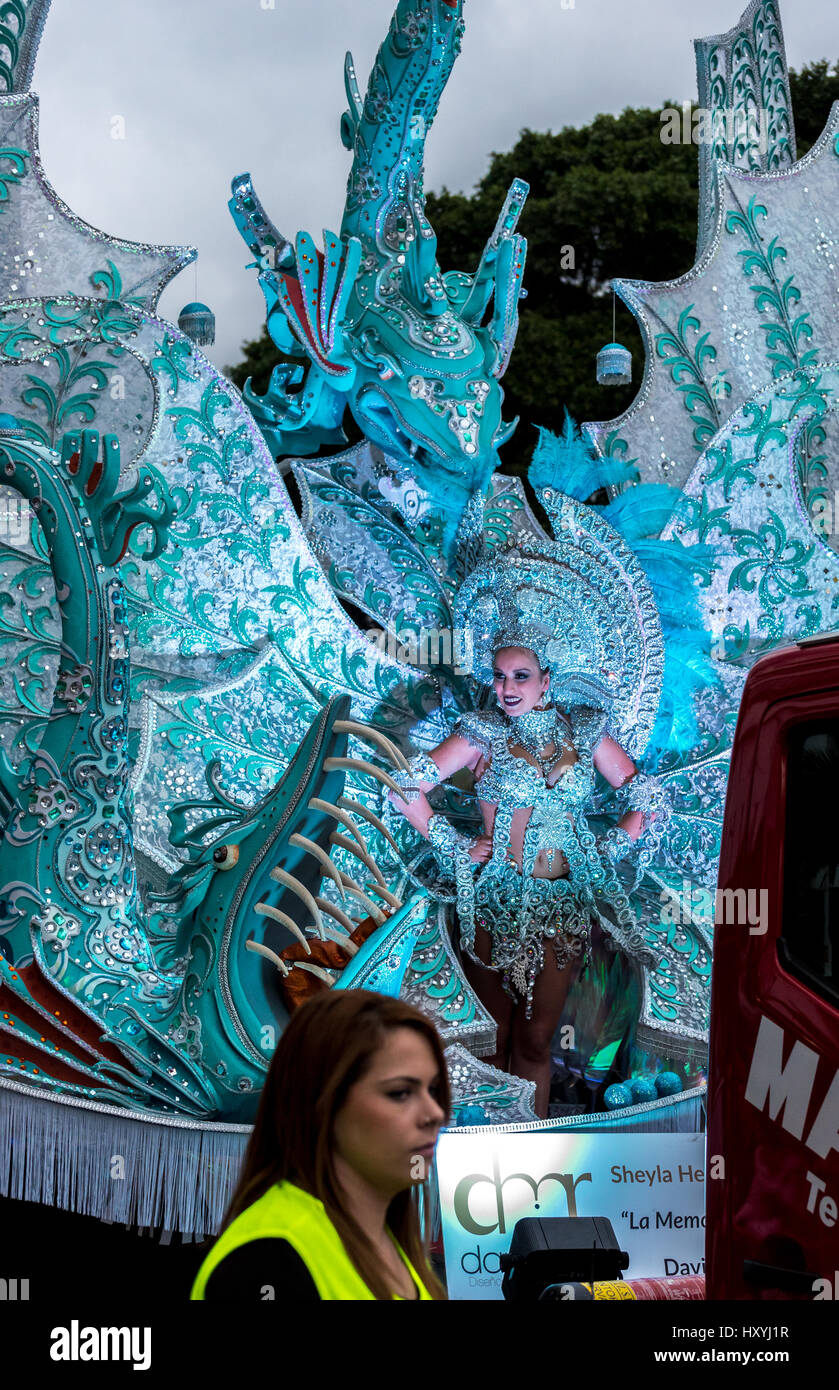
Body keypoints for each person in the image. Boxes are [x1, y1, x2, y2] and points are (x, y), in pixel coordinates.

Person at [389, 634, 670, 1120]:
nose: (507, 687)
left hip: (563, 907)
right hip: (494, 903)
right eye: (499, 676)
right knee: (492, 1038)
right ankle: (482, 1159)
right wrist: (454, 844)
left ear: (546, 681)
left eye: (520, 676)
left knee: (538, 1042)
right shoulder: (481, 733)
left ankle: (532, 1154)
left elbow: (650, 799)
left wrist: (605, 848)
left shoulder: (585, 731)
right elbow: (402, 790)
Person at [190, 990, 449, 1300]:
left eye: (433, 1090)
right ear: (322, 1103)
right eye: (400, 1093)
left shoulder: (391, 1242)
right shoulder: (269, 1259)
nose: (435, 1113)